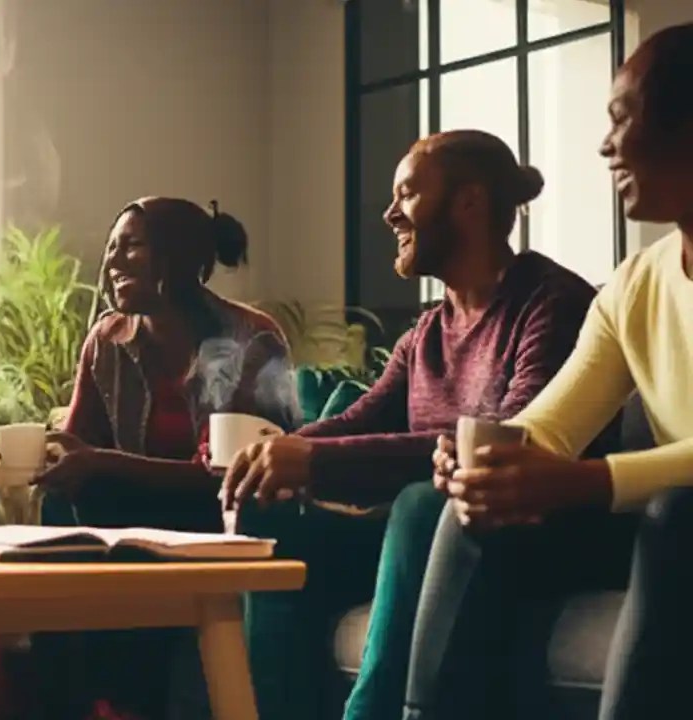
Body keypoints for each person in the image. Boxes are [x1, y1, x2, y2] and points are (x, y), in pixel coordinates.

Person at [221, 130, 608, 720]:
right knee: (275, 522)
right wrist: (273, 453)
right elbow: (358, 420)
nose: (389, 214)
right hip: (422, 538)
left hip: (526, 532)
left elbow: (509, 437)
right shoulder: (427, 331)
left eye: (406, 194)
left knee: (421, 503)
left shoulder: (549, 304)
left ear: (469, 202)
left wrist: (316, 462)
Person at [404, 24, 693, 720]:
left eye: (621, 119)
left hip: (679, 524)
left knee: (677, 515)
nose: (605, 146)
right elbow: (549, 427)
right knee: (478, 514)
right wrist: (484, 463)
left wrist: (594, 480)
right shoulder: (635, 286)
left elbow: (600, 477)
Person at [34, 196, 297, 720]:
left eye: (131, 245)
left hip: (221, 511)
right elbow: (80, 440)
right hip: (132, 510)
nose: (112, 260)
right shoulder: (107, 339)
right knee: (59, 512)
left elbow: (229, 473)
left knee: (112, 512)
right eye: (111, 247)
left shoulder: (251, 338)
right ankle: (72, 704)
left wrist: (100, 463)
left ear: (176, 256)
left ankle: (131, 701)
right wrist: (56, 459)